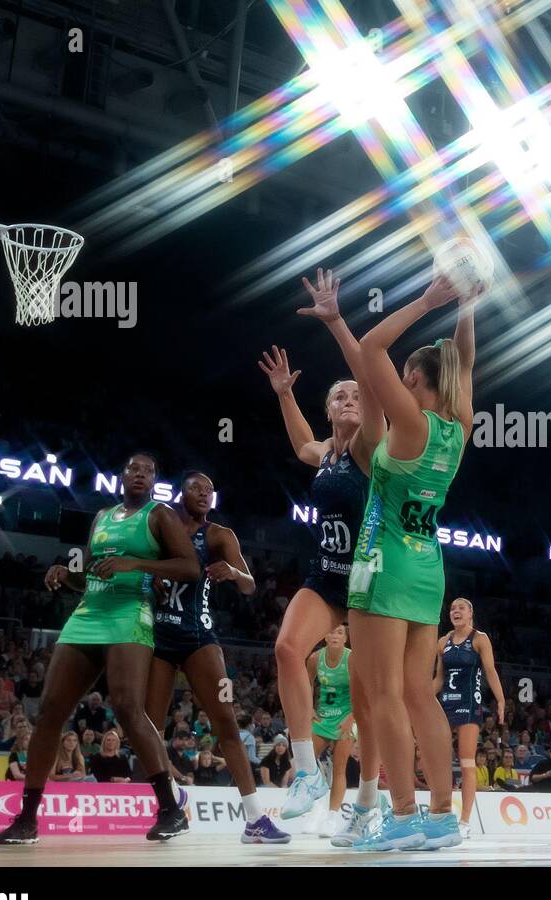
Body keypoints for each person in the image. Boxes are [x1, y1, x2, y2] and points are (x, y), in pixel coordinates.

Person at [0, 453, 193, 845]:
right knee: (50, 710)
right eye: (133, 468)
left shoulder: (160, 516)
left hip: (130, 613)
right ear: (122, 475)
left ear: (154, 479)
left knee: (127, 709)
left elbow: (189, 567)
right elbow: (92, 574)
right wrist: (66, 574)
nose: (140, 474)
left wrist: (134, 563)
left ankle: (171, 810)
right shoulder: (102, 517)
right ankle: (27, 819)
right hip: (88, 615)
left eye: (148, 471)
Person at [346, 269, 481, 851]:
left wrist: (429, 301)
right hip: (429, 568)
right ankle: (442, 815)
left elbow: (372, 346)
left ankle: (401, 814)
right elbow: (465, 365)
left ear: (416, 380)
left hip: (381, 563)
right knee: (419, 694)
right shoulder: (459, 426)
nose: (397, 379)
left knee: (382, 697)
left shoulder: (410, 424)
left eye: (406, 377)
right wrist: (467, 307)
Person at [259, 270, 383, 844]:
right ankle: (306, 772)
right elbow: (300, 443)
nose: (351, 399)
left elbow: (368, 375)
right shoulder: (326, 453)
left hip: (369, 581)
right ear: (330, 408)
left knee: (367, 696)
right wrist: (285, 393)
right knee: (286, 648)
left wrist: (336, 319)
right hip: (324, 575)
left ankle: (366, 801)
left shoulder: (367, 446)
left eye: (356, 395)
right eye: (341, 396)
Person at [143, 470, 288, 844]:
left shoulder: (219, 535)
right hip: (158, 638)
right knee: (148, 728)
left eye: (209, 490)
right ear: (181, 492)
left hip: (200, 640)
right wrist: (150, 581)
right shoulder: (160, 526)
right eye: (196, 488)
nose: (204, 494)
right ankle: (171, 806)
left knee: (226, 720)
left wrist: (234, 570)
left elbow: (250, 585)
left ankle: (255, 819)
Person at [433, 597, 506, 839]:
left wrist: (501, 700)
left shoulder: (479, 638)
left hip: (468, 705)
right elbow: (439, 680)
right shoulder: (442, 641)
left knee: (466, 763)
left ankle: (464, 820)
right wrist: (419, 698)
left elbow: (490, 671)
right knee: (439, 762)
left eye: (461, 608)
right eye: (453, 608)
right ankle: (440, 814)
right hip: (446, 705)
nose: (455, 611)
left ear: (470, 613)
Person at [305, 624, 356, 838]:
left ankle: (333, 817)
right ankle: (316, 808)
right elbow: (305, 683)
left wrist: (351, 718)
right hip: (323, 717)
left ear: (346, 638)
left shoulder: (352, 658)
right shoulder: (315, 659)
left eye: (339, 633)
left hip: (347, 716)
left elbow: (362, 691)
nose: (335, 636)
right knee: (307, 762)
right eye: (331, 632)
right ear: (324, 635)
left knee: (339, 768)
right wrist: (309, 707)